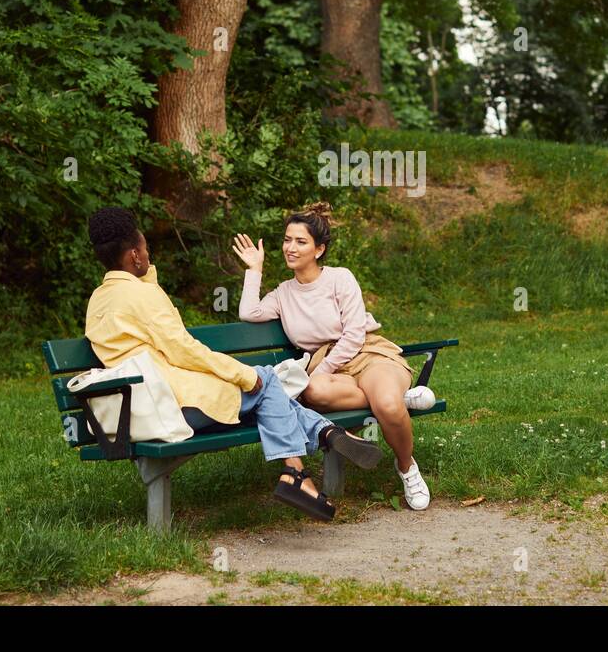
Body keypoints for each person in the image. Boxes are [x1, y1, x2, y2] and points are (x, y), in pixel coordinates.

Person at [84, 207, 382, 521]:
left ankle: (313, 451)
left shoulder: (100, 298)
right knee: (264, 381)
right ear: (134, 255)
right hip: (171, 405)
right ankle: (305, 458)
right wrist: (239, 373)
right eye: (145, 249)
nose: (148, 255)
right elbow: (183, 349)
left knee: (266, 391)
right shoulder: (141, 296)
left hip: (137, 404)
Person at [233, 202, 433, 510]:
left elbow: (353, 333)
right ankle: (396, 397)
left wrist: (323, 367)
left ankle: (406, 467)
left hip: (365, 354)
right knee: (313, 390)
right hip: (329, 372)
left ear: (319, 249)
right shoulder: (283, 294)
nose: (290, 248)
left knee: (386, 406)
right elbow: (249, 312)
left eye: (300, 241)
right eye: (287, 240)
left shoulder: (340, 278)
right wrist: (254, 269)